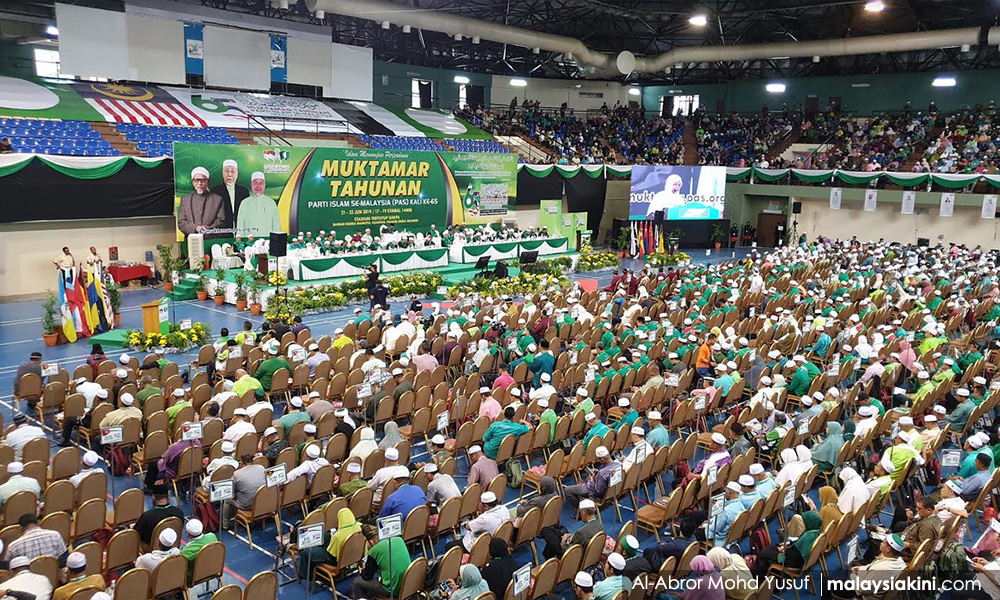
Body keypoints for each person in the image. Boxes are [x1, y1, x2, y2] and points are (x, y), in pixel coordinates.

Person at [351, 529, 408, 600]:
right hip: (408, 584)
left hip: (393, 590)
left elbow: (367, 576)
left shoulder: (374, 550)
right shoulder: (399, 540)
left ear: (371, 542)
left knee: (357, 583)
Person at [178, 166, 226, 236]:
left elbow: (221, 220)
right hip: (192, 239)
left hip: (211, 239)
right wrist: (196, 228)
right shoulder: (185, 200)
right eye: (196, 180)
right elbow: (181, 222)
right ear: (193, 182)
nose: (199, 183)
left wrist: (208, 229)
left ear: (208, 182)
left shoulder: (217, 199)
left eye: (203, 180)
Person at [223, 454, 265, 529]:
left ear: (242, 463)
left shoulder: (237, 474)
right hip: (261, 502)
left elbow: (230, 490)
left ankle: (225, 525)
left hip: (246, 505)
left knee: (227, 499)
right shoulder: (261, 468)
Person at [236, 171, 280, 237]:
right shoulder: (244, 203)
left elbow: (276, 227)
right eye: (255, 183)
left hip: (267, 243)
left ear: (265, 185)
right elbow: (240, 228)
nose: (258, 186)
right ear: (251, 185)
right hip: (249, 244)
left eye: (261, 183)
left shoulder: (271, 203)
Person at [211, 159, 249, 230]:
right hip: (222, 231)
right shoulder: (215, 191)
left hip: (241, 230)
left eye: (232, 171)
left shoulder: (244, 192)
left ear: (237, 174)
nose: (229, 174)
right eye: (227, 171)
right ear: (222, 173)